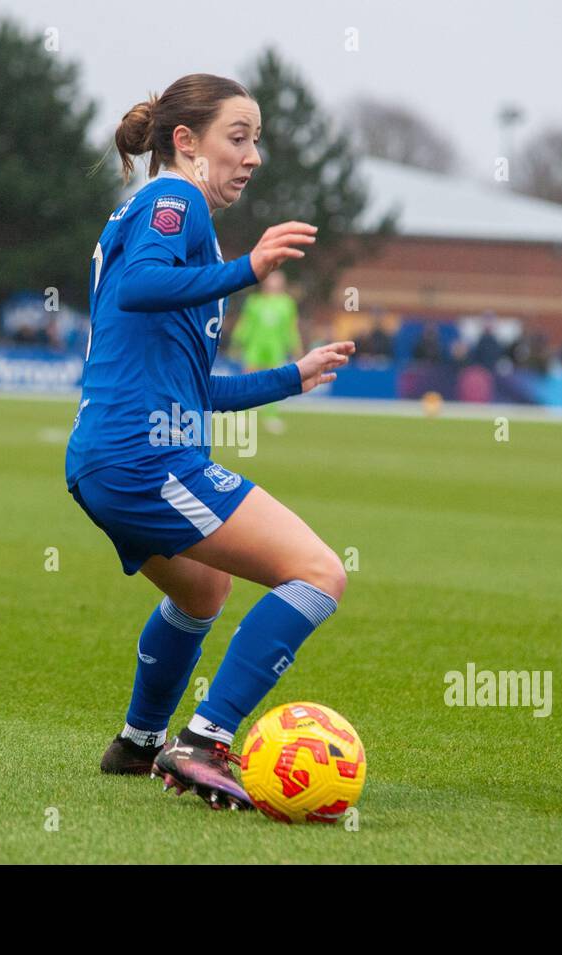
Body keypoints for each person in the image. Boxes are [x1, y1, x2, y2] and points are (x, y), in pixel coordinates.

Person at [65, 74, 354, 810]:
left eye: (256, 138)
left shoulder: (155, 208)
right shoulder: (176, 199)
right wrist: (249, 269)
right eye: (238, 136)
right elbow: (140, 286)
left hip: (110, 453)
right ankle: (205, 739)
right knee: (319, 572)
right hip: (144, 456)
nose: (253, 154)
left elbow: (194, 392)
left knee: (203, 589)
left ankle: (138, 741)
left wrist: (293, 375)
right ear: (185, 142)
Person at [230, 270, 302, 433]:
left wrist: (296, 347)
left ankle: (270, 416)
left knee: (274, 382)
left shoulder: (287, 303)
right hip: (254, 347)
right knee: (247, 380)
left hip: (275, 347)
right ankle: (243, 416)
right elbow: (245, 324)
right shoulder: (254, 302)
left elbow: (291, 328)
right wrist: (237, 342)